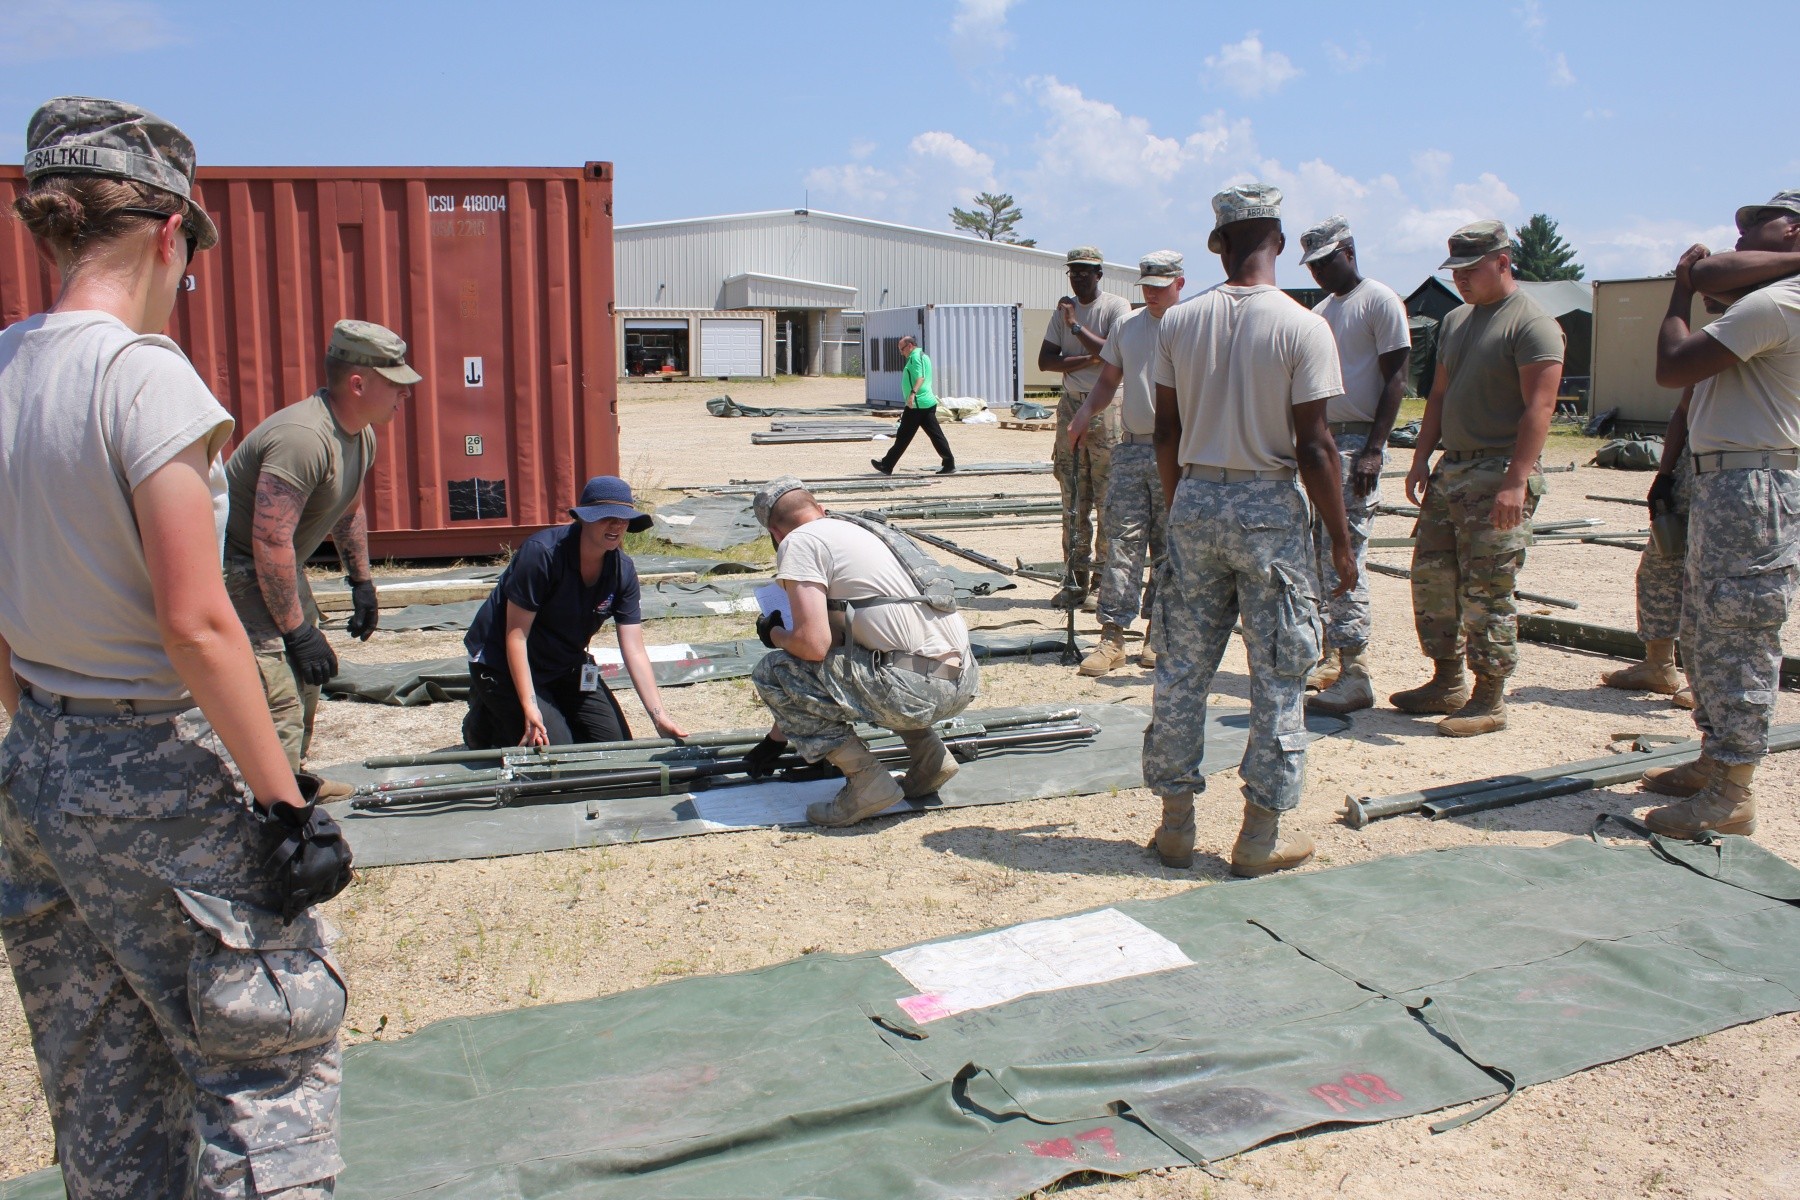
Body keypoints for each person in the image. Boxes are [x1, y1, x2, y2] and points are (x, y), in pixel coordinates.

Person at [0, 96, 349, 1198]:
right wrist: (285, 803)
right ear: (169, 233)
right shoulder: (142, 375)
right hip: (155, 764)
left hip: (40, 770)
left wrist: (32, 726)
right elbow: (198, 624)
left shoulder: (7, 367)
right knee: (267, 1065)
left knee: (108, 1091)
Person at [1143, 183, 1355, 877]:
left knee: (1180, 669)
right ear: (1282, 242)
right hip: (1268, 509)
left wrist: (1183, 509)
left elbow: (1166, 432)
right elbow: (1316, 446)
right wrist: (1341, 542)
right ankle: (1258, 837)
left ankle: (1175, 827)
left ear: (1218, 245)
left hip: (1196, 498)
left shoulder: (1179, 322)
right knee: (1278, 675)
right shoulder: (1303, 326)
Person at [1643, 190, 1800, 837]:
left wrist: (1680, 289)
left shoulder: (1778, 300)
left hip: (1753, 482)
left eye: (1761, 226)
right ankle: (1715, 760)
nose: (1745, 238)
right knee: (1706, 632)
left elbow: (1672, 365)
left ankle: (1733, 790)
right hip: (1726, 482)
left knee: (1738, 636)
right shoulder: (1760, 299)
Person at [223, 319, 419, 796]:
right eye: (396, 384)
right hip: (232, 570)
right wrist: (295, 631)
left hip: (273, 566)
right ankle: (273, 811)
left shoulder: (360, 433)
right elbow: (268, 541)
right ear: (358, 383)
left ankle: (291, 781)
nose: (405, 395)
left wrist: (362, 582)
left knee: (312, 678)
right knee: (278, 693)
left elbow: (347, 507)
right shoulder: (302, 438)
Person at [1392, 220, 1564, 736]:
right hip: (1455, 469)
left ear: (1502, 263)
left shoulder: (1533, 323)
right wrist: (1422, 456)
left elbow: (1542, 404)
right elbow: (1439, 395)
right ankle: (1447, 680)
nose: (1461, 280)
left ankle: (1489, 696)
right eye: (1456, 271)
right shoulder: (1458, 320)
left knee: (1488, 587)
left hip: (1498, 467)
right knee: (1434, 578)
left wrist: (1517, 480)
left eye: (1470, 270)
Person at [744, 477, 979, 828]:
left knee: (773, 669)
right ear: (820, 510)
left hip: (912, 693)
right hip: (959, 679)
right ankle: (930, 756)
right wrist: (775, 739)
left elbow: (812, 647)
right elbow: (837, 661)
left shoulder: (799, 542)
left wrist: (774, 633)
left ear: (776, 534)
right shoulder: (864, 530)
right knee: (874, 662)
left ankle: (866, 781)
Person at [461, 476, 689, 748]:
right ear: (585, 518)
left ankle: (538, 706)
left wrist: (658, 716)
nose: (616, 525)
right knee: (557, 751)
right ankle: (486, 718)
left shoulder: (622, 571)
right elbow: (516, 636)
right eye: (607, 517)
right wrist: (529, 706)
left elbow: (635, 650)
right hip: (503, 663)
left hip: (564, 662)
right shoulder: (542, 554)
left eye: (624, 519)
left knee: (616, 747)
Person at [1298, 216, 1411, 715]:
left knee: (1348, 553)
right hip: (1324, 440)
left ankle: (1356, 668)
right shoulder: (1322, 311)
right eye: (1313, 266)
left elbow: (1396, 379)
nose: (1320, 273)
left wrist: (1373, 447)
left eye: (1326, 262)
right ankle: (1333, 656)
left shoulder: (1380, 301)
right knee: (1319, 554)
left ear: (1349, 252)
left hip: (1357, 440)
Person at [1067, 250, 1184, 676]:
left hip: (1178, 451)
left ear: (1179, 284)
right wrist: (1082, 416)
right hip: (1133, 448)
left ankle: (1159, 633)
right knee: (1123, 540)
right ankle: (1113, 636)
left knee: (1170, 546)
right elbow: (1107, 381)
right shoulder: (1128, 327)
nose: (1152, 294)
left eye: (1160, 287)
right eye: (1147, 287)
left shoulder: (1193, 327)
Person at [1039, 246, 1133, 611]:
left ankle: (1102, 584)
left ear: (1099, 274)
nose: (1079, 277)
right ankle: (1074, 581)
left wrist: (1077, 328)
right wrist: (1091, 357)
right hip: (1071, 404)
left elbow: (1115, 353)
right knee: (1073, 500)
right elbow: (1046, 362)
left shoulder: (1115, 307)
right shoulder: (1060, 311)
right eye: (1073, 272)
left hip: (1107, 405)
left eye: (1086, 271)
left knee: (1108, 500)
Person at [1601, 384, 1699, 710]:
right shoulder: (1713, 348)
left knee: (1722, 580)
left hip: (1741, 468)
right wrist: (1666, 474)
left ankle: (1710, 682)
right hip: (1691, 467)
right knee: (1659, 566)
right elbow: (1685, 409)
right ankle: (1659, 665)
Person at [871, 334, 954, 475]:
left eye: (902, 349)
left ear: (910, 345)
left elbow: (920, 377)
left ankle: (886, 465)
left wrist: (912, 394)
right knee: (935, 435)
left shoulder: (916, 357)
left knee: (903, 436)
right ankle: (949, 463)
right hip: (923, 403)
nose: (901, 352)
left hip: (917, 404)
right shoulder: (922, 356)